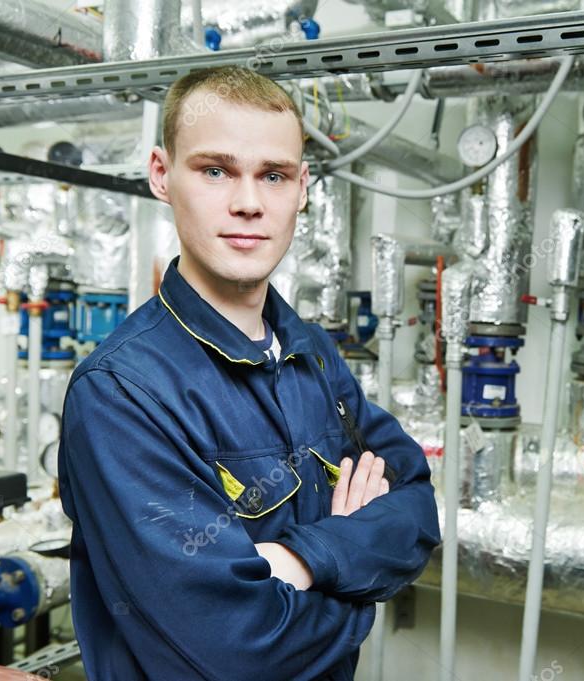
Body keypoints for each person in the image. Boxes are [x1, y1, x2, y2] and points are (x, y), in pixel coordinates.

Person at [57, 65, 441, 680]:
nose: (248, 202)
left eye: (273, 175)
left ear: (303, 186)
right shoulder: (123, 394)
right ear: (162, 174)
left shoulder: (311, 354)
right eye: (216, 171)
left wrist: (299, 561)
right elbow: (235, 651)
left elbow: (418, 511)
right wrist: (358, 583)